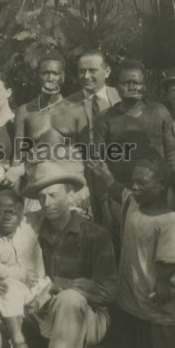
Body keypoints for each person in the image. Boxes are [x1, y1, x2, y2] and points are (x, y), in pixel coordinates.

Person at [0, 161, 118, 348]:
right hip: (45, 309)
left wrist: (61, 285)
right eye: (41, 197)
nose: (46, 202)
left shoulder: (95, 234)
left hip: (90, 317)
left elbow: (108, 291)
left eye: (53, 195)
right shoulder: (37, 234)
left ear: (71, 194)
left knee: (69, 300)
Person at [89, 154, 175, 348]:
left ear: (161, 186)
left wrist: (164, 282)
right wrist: (104, 172)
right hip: (131, 286)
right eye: (133, 181)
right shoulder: (134, 203)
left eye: (142, 183)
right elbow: (117, 190)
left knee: (163, 332)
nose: (134, 187)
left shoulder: (169, 221)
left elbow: (174, 258)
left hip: (155, 289)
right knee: (129, 326)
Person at [95, 60, 175, 241]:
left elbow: (171, 154)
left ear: (144, 86)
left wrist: (173, 190)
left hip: (159, 195)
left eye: (137, 83)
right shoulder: (104, 119)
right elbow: (98, 162)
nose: (132, 87)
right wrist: (104, 201)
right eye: (126, 83)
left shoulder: (160, 112)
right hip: (120, 195)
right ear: (116, 87)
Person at [11, 54, 91, 216]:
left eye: (55, 74)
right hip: (38, 185)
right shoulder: (25, 111)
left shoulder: (77, 110)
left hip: (70, 186)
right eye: (45, 73)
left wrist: (88, 193)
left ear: (62, 77)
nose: (50, 78)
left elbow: (87, 154)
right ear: (37, 76)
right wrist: (15, 197)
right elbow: (17, 158)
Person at [0, 189, 47, 348]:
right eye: (1, 212)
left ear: (21, 211)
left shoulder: (29, 226)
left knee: (11, 288)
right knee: (3, 293)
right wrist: (20, 274)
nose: (7, 217)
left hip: (40, 286)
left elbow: (49, 207)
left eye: (12, 211)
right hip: (10, 289)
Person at [68, 50, 121, 224]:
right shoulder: (66, 105)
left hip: (118, 179)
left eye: (92, 70)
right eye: (81, 71)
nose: (86, 76)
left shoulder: (121, 97)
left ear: (107, 71)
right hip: (83, 183)